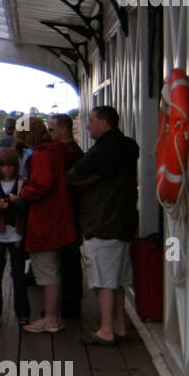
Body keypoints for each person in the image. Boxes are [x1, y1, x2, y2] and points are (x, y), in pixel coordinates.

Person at [67, 105, 141, 345]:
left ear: (104, 122)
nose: (87, 125)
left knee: (103, 281)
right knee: (117, 279)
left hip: (102, 223)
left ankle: (106, 330)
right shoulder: (128, 147)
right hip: (124, 222)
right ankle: (119, 326)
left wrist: (87, 182)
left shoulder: (101, 151)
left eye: (90, 121)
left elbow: (73, 176)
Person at [17, 116, 77, 333]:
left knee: (46, 271)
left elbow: (41, 184)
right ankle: (56, 315)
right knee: (54, 270)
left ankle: (51, 318)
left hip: (44, 221)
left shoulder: (42, 155)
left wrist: (24, 192)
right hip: (58, 218)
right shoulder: (57, 151)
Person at [0, 147, 30, 327]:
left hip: (16, 234)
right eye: (4, 166)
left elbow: (26, 209)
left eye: (10, 166)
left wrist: (16, 204)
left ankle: (22, 313)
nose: (7, 169)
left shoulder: (22, 183)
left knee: (18, 276)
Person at [49, 113, 85, 319]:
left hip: (70, 214)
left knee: (69, 259)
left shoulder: (70, 154)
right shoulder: (74, 152)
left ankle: (70, 305)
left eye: (52, 129)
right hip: (70, 213)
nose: (49, 133)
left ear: (64, 130)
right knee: (67, 259)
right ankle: (70, 303)